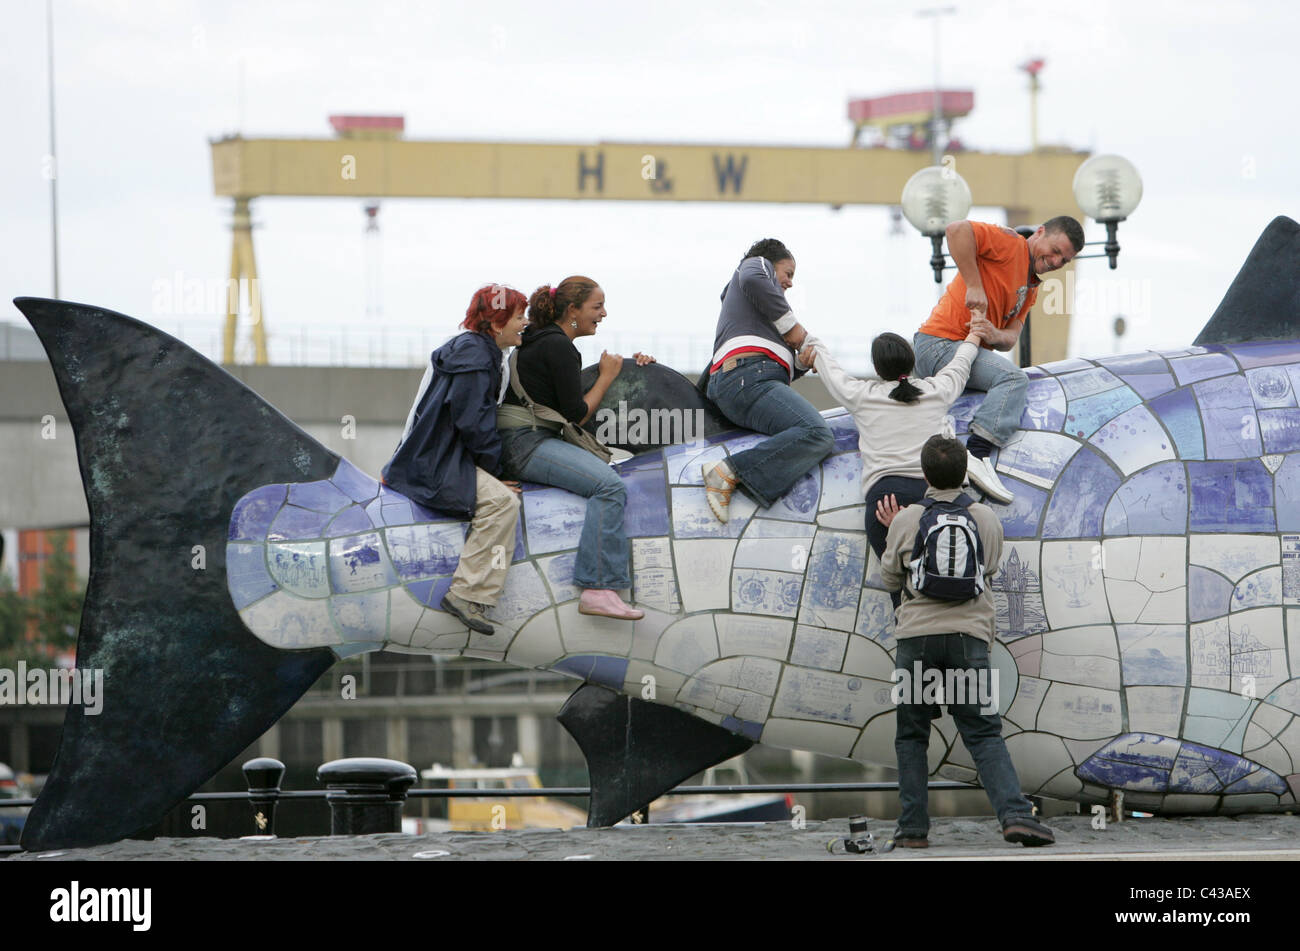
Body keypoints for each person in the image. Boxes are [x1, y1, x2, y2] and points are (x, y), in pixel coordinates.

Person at [878, 434, 1055, 849]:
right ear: (965, 474)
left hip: (917, 640)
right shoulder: (985, 519)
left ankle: (912, 830)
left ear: (924, 474)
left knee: (912, 735)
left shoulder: (907, 520)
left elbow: (889, 577)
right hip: (968, 640)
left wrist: (897, 531)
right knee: (982, 733)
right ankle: (1014, 816)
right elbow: (988, 569)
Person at [497, 276, 653, 621]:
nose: (604, 314)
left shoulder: (538, 340)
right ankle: (598, 587)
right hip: (526, 443)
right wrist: (608, 376)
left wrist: (634, 364)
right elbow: (576, 415)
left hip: (521, 440)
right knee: (608, 486)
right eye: (597, 307)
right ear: (572, 310)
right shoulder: (559, 347)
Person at [381, 284, 528, 637]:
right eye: (519, 316)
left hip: (433, 455)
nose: (525, 323)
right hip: (436, 461)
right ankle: (467, 594)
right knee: (502, 503)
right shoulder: (476, 357)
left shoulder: (472, 349)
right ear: (496, 323)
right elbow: (473, 423)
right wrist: (495, 473)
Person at [911, 217, 1084, 504]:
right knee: (1014, 379)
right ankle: (977, 453)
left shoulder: (1031, 287)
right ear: (1039, 232)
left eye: (1063, 261)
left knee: (991, 392)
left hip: (962, 351)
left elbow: (1011, 339)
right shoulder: (1010, 243)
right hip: (940, 343)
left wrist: (993, 332)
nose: (1055, 261)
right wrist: (973, 285)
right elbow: (956, 230)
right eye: (1054, 250)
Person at [801, 327, 986, 563]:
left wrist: (811, 346)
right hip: (934, 496)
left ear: (877, 367)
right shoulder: (937, 390)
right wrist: (976, 332)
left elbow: (832, 371)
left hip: (885, 502)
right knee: (942, 578)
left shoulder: (862, 395)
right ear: (911, 359)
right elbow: (962, 361)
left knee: (901, 590)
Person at [702, 238, 833, 522]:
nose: (790, 283)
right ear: (770, 265)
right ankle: (728, 471)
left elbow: (772, 365)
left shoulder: (755, 314)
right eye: (788, 273)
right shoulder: (753, 267)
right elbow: (752, 275)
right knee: (817, 432)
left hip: (746, 379)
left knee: (806, 431)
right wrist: (794, 329)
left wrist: (797, 363)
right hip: (746, 378)